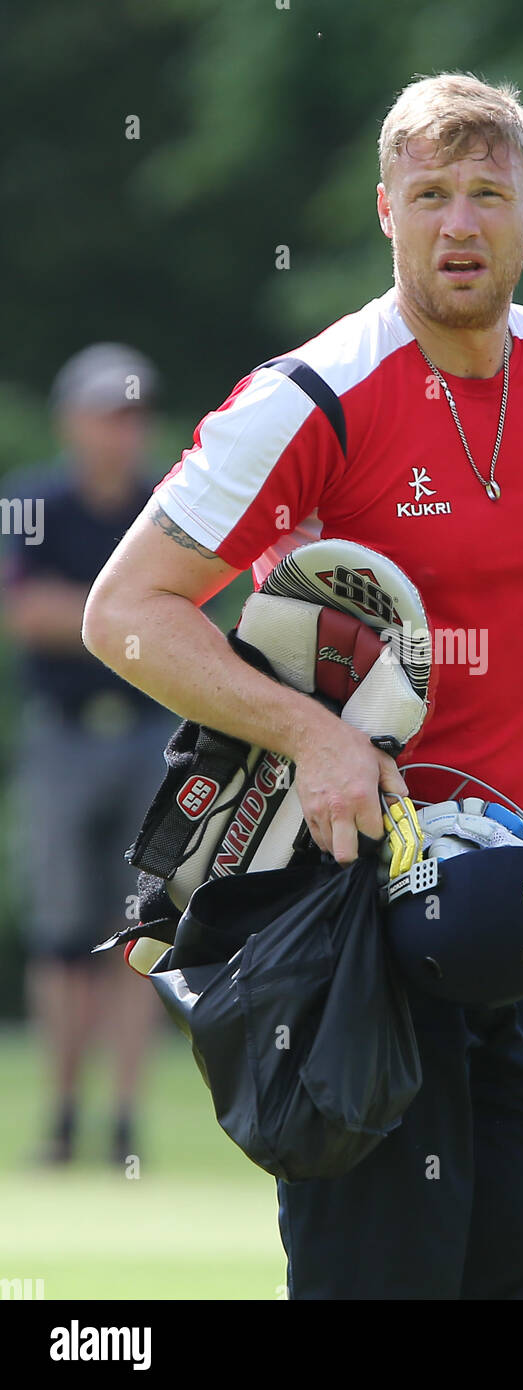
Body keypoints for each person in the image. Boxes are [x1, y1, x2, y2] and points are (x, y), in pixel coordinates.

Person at [82, 74, 523, 1298]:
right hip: (344, 917)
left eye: (483, 194)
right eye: (429, 196)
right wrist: (311, 734)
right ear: (385, 212)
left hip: (513, 896)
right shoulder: (308, 394)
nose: (457, 224)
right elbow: (124, 613)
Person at [1, 343, 174, 1165]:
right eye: (107, 415)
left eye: (131, 416)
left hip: (153, 738)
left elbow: (194, 609)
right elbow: (20, 610)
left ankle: (125, 1125)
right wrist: (120, 616)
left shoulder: (163, 506)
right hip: (66, 737)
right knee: (64, 936)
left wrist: (93, 615)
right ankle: (63, 1117)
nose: (120, 432)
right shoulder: (32, 500)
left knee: (137, 933)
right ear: (73, 420)